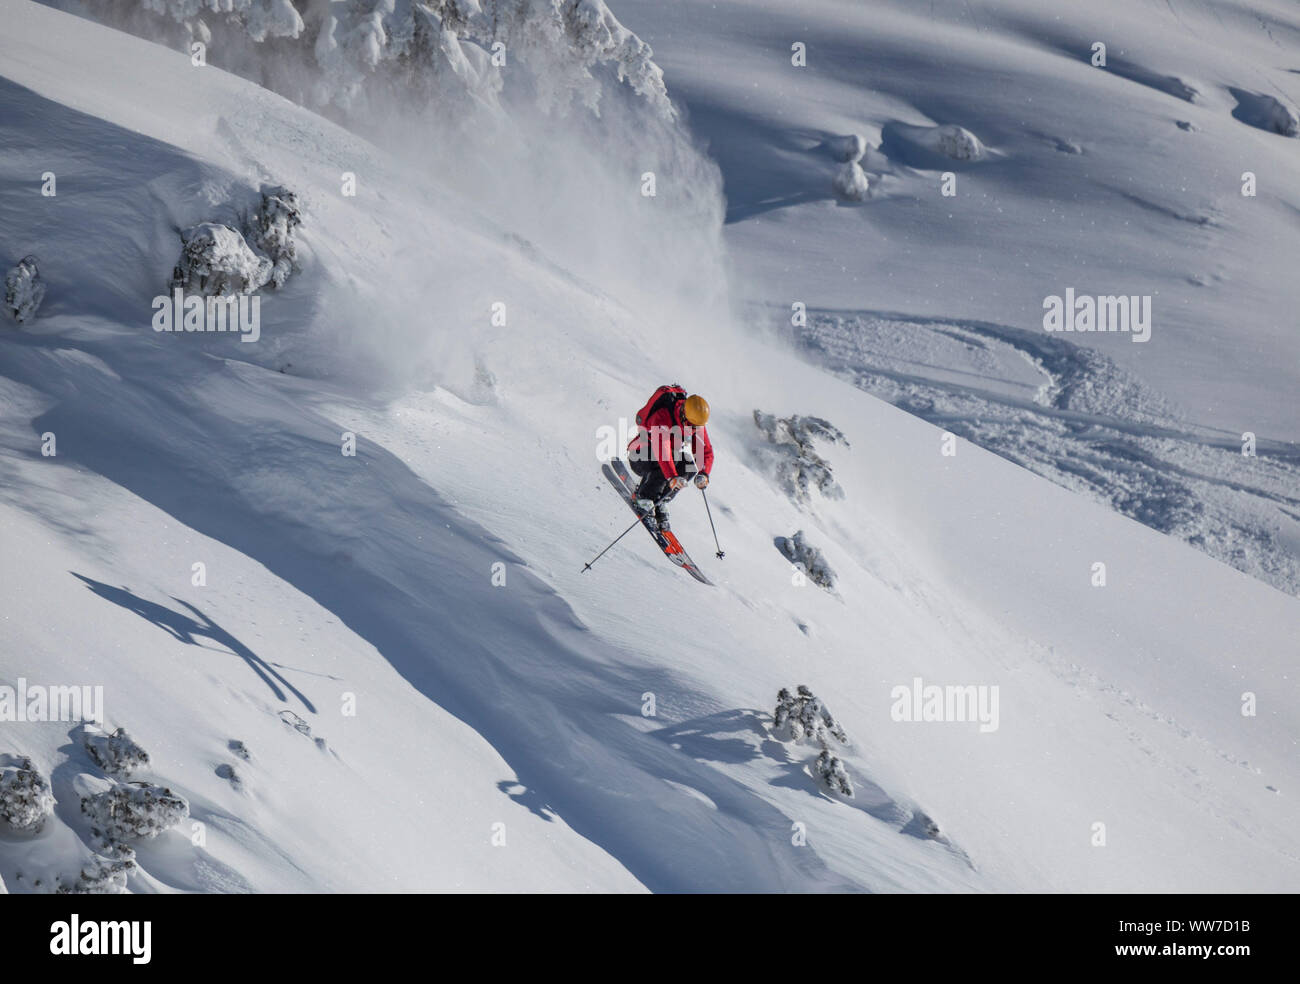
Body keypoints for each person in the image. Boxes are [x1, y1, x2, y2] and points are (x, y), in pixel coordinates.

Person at [626, 384, 713, 531]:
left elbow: (705, 452)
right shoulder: (662, 416)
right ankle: (643, 497)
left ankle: (661, 499)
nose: (693, 430)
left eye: (696, 427)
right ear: (684, 415)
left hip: (664, 463)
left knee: (689, 465)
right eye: (691, 425)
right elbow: (662, 451)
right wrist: (672, 477)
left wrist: (704, 473)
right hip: (639, 457)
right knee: (671, 457)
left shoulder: (695, 423)